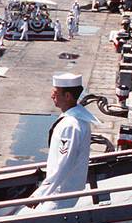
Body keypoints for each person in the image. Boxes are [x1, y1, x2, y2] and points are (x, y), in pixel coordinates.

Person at [30, 73, 96, 211]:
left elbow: (63, 164)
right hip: (62, 189)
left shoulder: (71, 125)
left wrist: (40, 194)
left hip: (60, 192)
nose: (52, 95)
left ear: (67, 96)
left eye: (55, 92)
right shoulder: (75, 119)